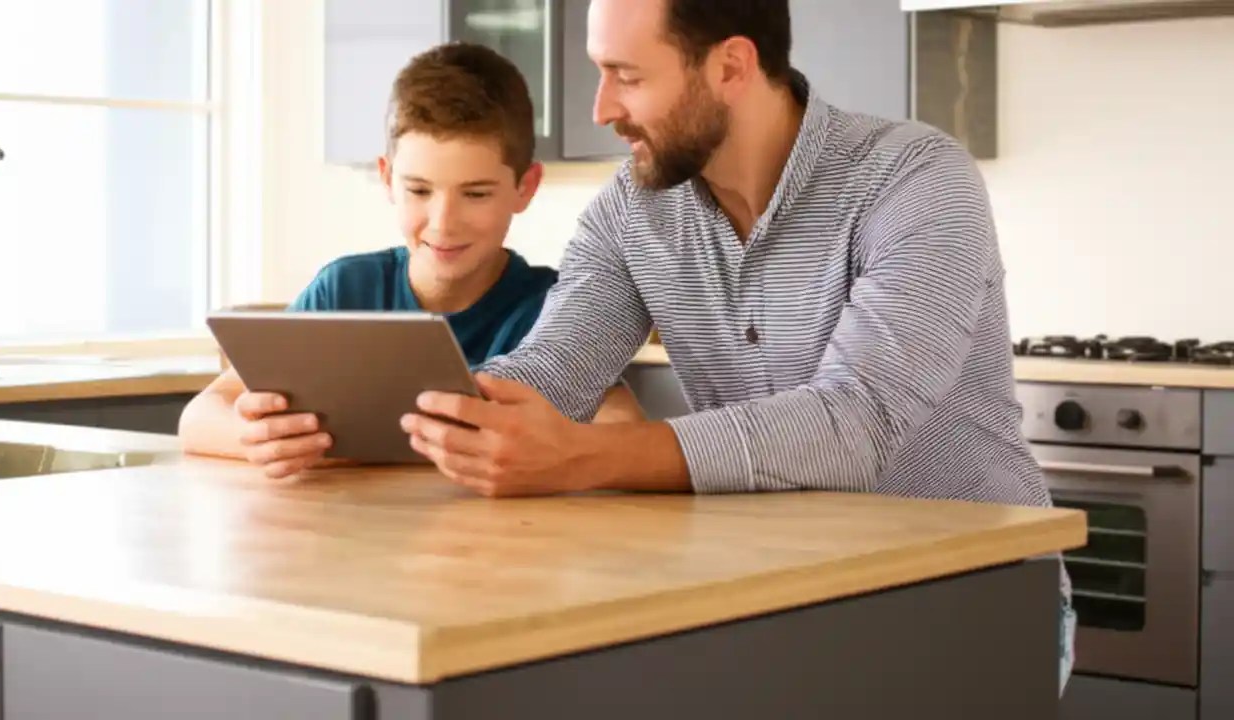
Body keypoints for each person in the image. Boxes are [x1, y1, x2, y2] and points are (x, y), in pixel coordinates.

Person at [396, 0, 1076, 696]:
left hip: (973, 601)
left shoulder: (915, 179)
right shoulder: (633, 209)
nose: (602, 108)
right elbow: (544, 376)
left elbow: (855, 423)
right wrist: (336, 418)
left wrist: (578, 456)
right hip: (776, 595)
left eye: (626, 76)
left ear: (730, 66)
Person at [178, 42, 642, 479]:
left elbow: (622, 426)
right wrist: (254, 440)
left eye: (476, 194)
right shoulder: (344, 291)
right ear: (387, 178)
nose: (443, 223)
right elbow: (199, 416)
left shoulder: (557, 307)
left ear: (526, 187)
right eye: (419, 190)